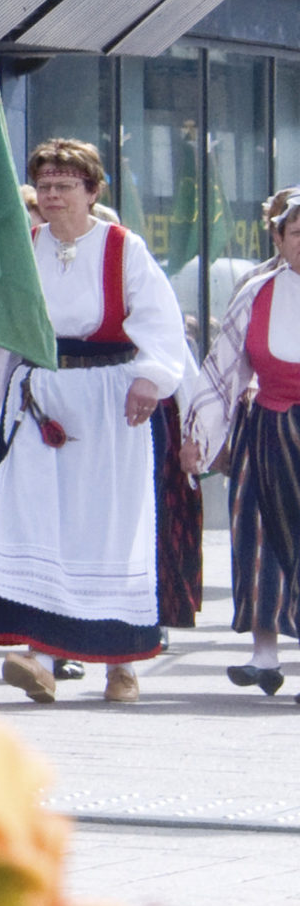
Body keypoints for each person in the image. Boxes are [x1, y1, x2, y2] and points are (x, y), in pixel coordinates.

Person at [0, 139, 189, 704]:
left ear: (92, 191)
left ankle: (122, 665)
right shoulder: (24, 249)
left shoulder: (123, 247)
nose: (53, 195)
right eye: (45, 185)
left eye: (65, 185)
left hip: (109, 400)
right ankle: (38, 659)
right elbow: (1, 335)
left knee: (109, 525)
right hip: (41, 395)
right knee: (31, 518)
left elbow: (162, 322)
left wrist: (151, 378)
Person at [187, 187, 300, 696]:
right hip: (268, 430)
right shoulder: (257, 292)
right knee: (258, 535)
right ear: (278, 238)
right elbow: (222, 371)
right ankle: (264, 655)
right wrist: (199, 436)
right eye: (296, 232)